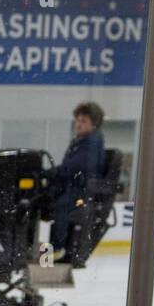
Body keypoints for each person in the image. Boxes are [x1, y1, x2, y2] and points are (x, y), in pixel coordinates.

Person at [48, 101, 107, 261]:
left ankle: (57, 248)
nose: (78, 124)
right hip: (73, 185)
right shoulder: (80, 141)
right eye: (78, 120)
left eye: (84, 121)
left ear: (93, 125)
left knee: (62, 204)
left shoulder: (92, 142)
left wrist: (55, 173)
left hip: (80, 191)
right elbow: (68, 166)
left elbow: (75, 167)